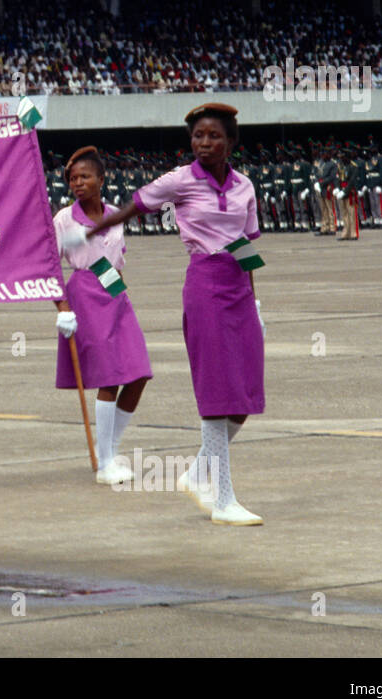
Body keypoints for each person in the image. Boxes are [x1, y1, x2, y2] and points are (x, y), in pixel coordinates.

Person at [87, 103, 266, 526]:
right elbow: (136, 206)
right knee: (217, 392)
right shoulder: (181, 180)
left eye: (213, 136)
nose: (204, 143)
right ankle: (223, 500)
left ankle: (197, 472)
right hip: (204, 286)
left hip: (240, 287)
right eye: (198, 136)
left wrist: (256, 304)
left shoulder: (245, 186)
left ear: (231, 142)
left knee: (244, 398)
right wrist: (92, 230)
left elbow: (246, 245)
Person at [52, 146, 152, 484]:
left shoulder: (113, 214)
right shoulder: (64, 219)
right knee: (109, 378)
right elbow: (49, 267)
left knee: (139, 374)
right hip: (85, 296)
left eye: (85, 176)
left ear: (101, 179)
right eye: (73, 178)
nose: (78, 183)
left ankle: (108, 445)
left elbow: (117, 259)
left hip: (116, 294)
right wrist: (62, 309)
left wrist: (122, 295)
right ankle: (105, 461)